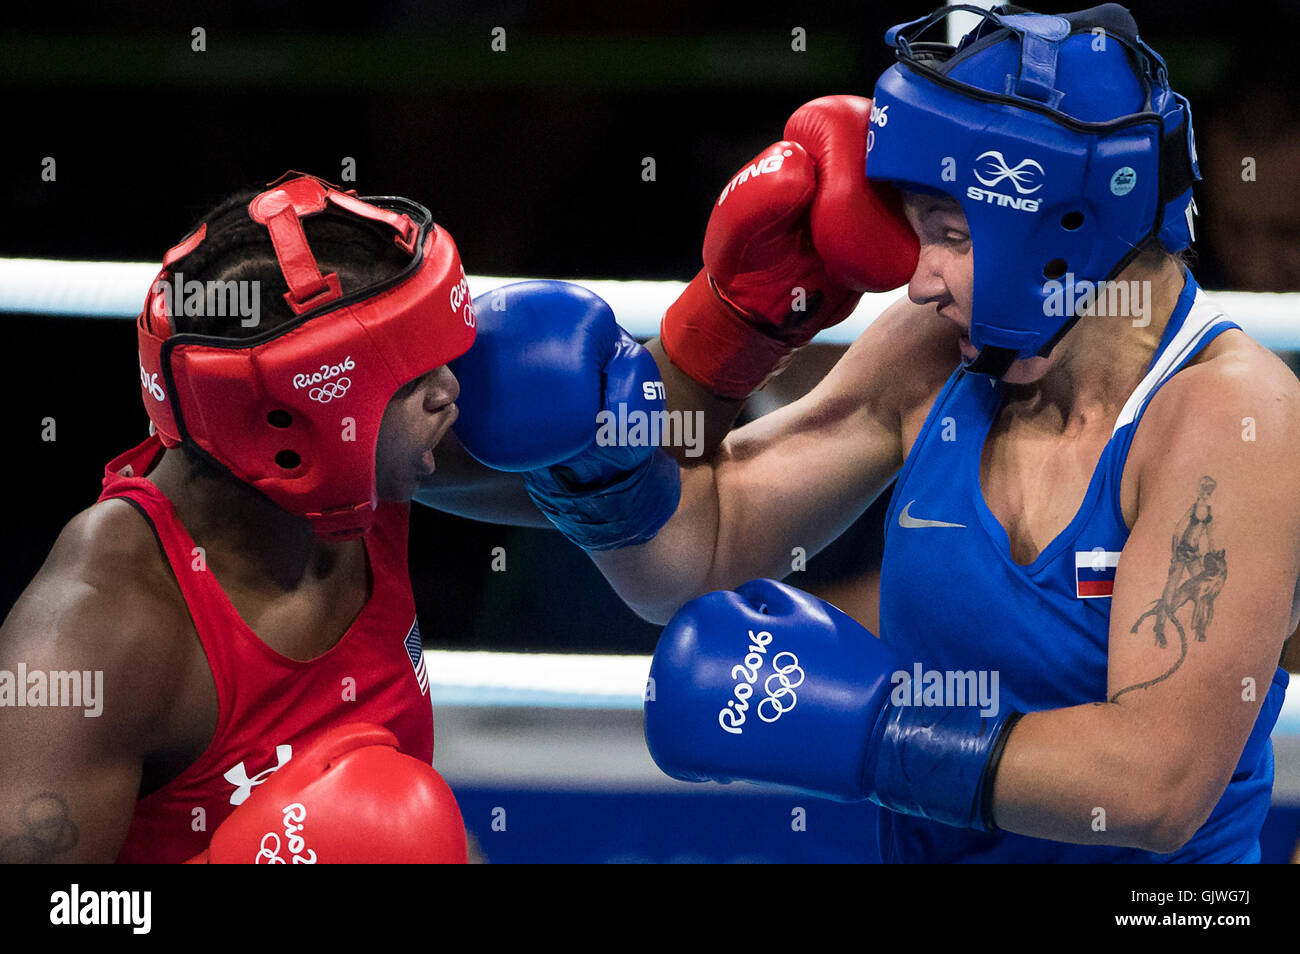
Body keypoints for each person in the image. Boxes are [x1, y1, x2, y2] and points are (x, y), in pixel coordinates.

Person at [447, 4, 1299, 862]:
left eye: (952, 236)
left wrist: (871, 731)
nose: (919, 280)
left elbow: (1154, 787)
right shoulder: (940, 358)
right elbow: (703, 547)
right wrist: (605, 459)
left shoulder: (1228, 421)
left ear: (1064, 227)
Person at [0, 173, 659, 862]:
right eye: (410, 374)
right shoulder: (93, 636)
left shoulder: (371, 472)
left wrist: (740, 315)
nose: (451, 391)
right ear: (294, 421)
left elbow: (641, 431)